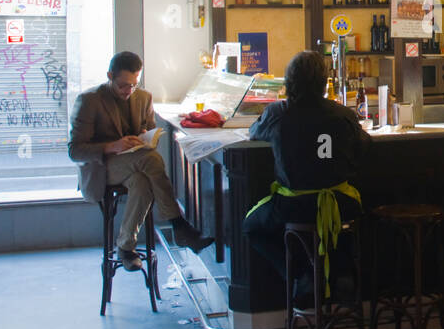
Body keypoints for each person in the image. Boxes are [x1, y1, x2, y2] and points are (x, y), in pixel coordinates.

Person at [69, 51, 213, 270]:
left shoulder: (143, 97)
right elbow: (75, 151)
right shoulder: (90, 100)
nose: (129, 91)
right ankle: (178, 224)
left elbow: (149, 129)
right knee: (151, 160)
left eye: (134, 85)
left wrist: (146, 136)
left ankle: (126, 247)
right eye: (123, 85)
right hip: (102, 167)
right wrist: (111, 146)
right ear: (109, 75)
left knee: (142, 181)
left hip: (136, 164)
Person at [244, 50, 371, 299]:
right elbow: (364, 145)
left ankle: (301, 275)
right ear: (324, 84)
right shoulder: (342, 114)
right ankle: (342, 274)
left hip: (293, 206)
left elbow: (253, 132)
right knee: (347, 222)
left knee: (251, 227)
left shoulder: (277, 113)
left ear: (289, 82)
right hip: (341, 205)